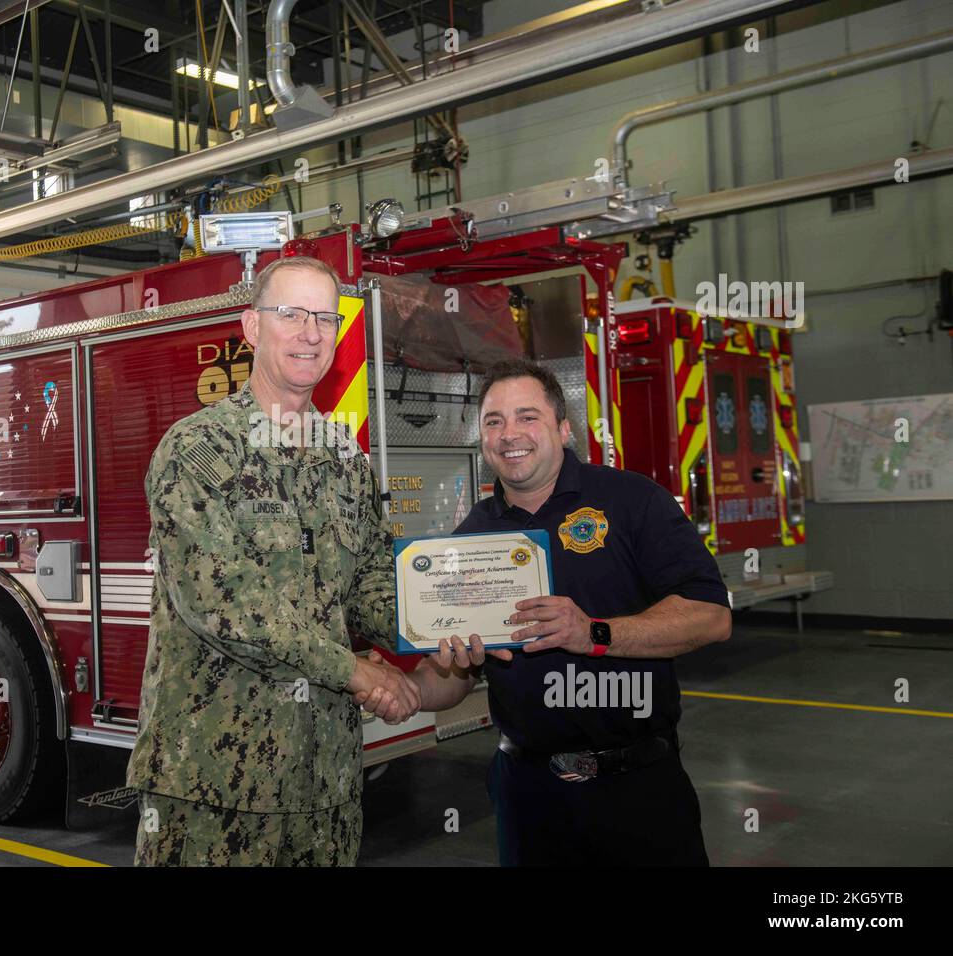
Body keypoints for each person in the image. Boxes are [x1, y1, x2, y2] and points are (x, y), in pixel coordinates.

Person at [127, 255, 421, 867]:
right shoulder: (198, 450)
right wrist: (360, 673)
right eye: (290, 313)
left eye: (324, 317)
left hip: (326, 788)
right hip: (214, 788)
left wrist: (441, 625)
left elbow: (369, 585)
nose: (311, 332)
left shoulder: (345, 458)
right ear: (252, 327)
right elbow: (228, 608)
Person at [379, 357, 731, 866]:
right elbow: (453, 680)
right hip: (529, 795)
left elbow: (712, 616)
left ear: (563, 428)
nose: (509, 433)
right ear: (481, 439)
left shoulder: (633, 501)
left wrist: (595, 632)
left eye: (527, 416)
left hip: (638, 789)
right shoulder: (471, 539)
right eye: (493, 421)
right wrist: (405, 687)